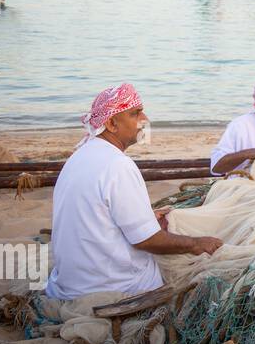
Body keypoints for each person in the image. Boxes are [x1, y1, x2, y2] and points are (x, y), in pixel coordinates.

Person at [46, 84, 222, 300]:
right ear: (111, 123)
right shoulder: (118, 165)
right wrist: (196, 243)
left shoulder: (80, 156)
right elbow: (145, 241)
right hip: (116, 286)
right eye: (135, 113)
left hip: (70, 284)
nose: (144, 119)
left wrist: (146, 216)